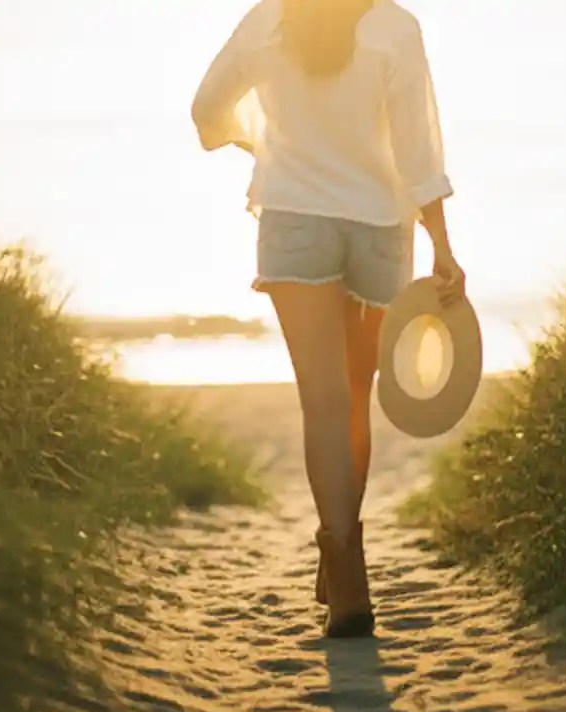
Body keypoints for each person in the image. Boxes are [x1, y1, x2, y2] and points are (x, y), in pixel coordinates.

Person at [191, 0, 465, 639]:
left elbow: (205, 109)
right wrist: (443, 246)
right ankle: (344, 555)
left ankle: (343, 570)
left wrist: (251, 139)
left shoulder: (267, 21)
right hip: (377, 231)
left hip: (294, 224)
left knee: (322, 402)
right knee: (352, 403)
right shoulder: (395, 29)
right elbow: (418, 153)